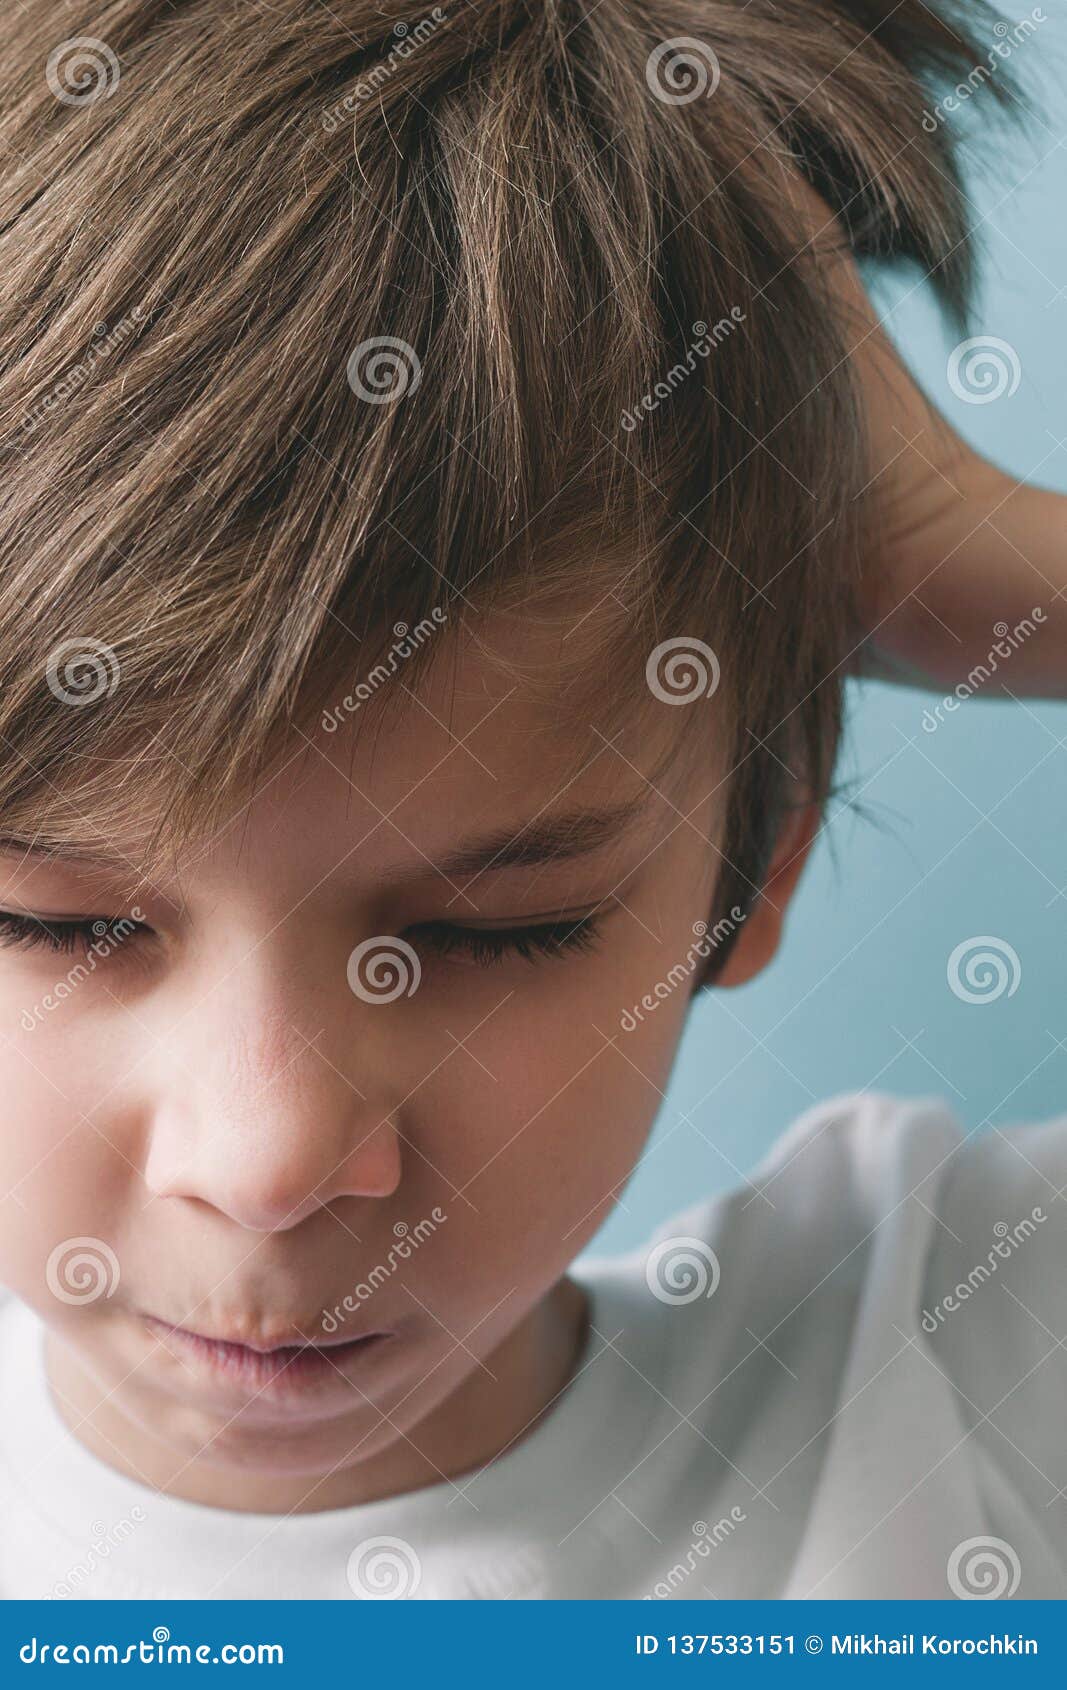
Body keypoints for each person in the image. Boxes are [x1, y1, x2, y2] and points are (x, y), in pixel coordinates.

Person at [0, 0, 1063, 1600]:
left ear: (756, 853)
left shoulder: (962, 1372)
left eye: (497, 929)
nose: (271, 1156)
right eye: (57, 921)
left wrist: (981, 557)